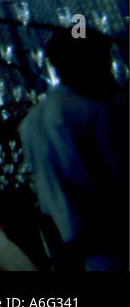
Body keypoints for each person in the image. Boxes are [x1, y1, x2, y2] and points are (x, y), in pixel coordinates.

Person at [19, 29, 129, 270]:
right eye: (105, 63)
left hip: (79, 250)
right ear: (86, 63)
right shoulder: (93, 111)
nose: (111, 73)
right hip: (117, 239)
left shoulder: (30, 123)